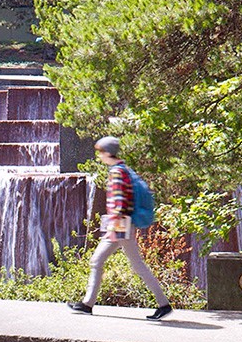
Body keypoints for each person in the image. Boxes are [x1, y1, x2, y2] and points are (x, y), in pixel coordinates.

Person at [67, 135, 173, 320]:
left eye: (100, 152)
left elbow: (119, 201)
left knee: (97, 261)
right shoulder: (124, 170)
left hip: (120, 224)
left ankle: (87, 304)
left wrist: (113, 227)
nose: (99, 155)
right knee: (134, 264)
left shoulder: (116, 172)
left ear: (108, 152)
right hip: (125, 223)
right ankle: (163, 304)